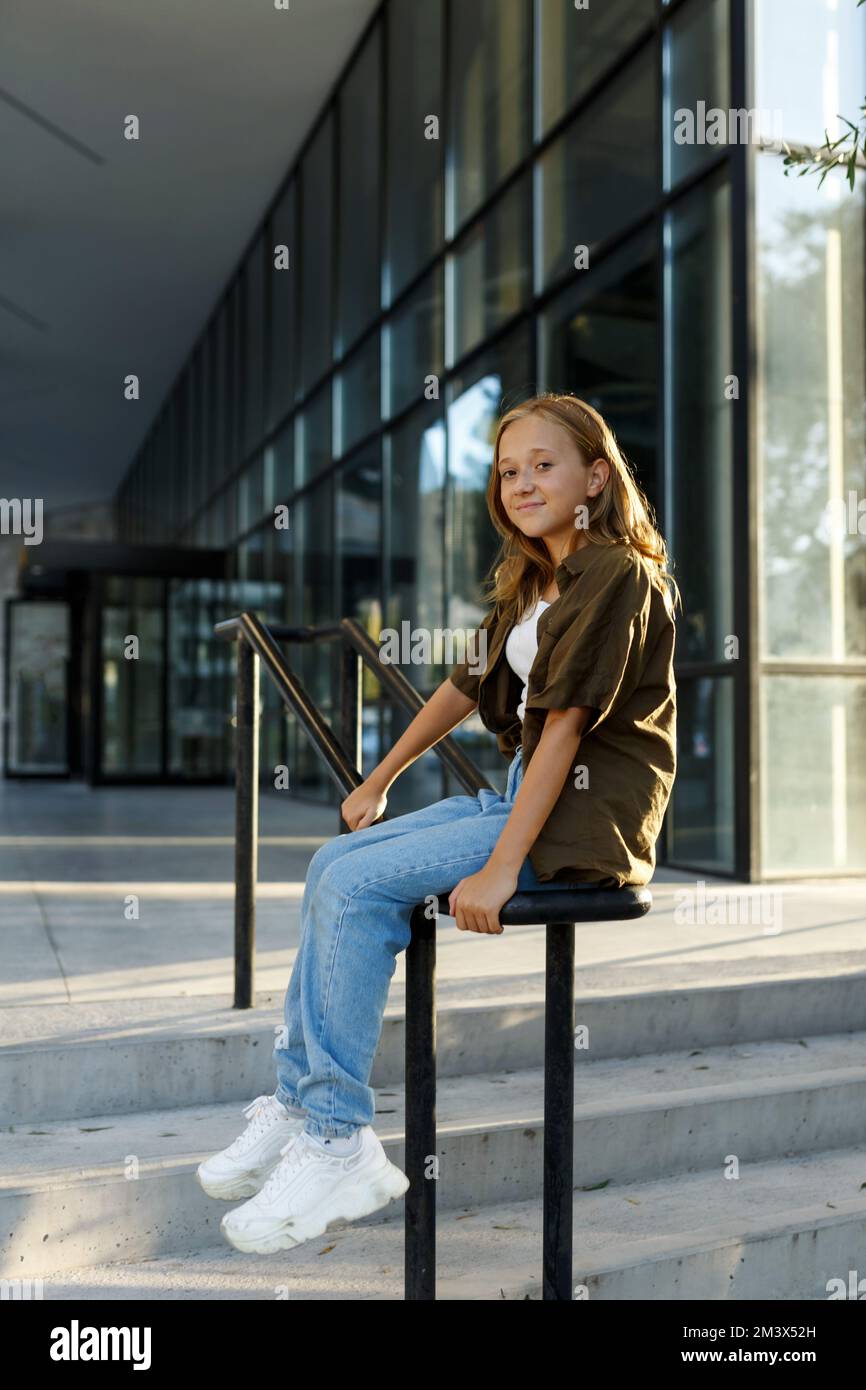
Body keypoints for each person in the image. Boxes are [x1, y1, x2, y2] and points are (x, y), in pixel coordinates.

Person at [196, 392, 680, 1256]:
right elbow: (464, 687)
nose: (521, 483)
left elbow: (565, 724)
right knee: (333, 862)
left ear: (596, 477)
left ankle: (338, 1138)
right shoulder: (540, 580)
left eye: (543, 465)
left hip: (576, 829)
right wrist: (380, 778)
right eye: (507, 471)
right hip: (525, 797)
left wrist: (500, 870)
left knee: (352, 887)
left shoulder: (616, 573)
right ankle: (302, 1104)